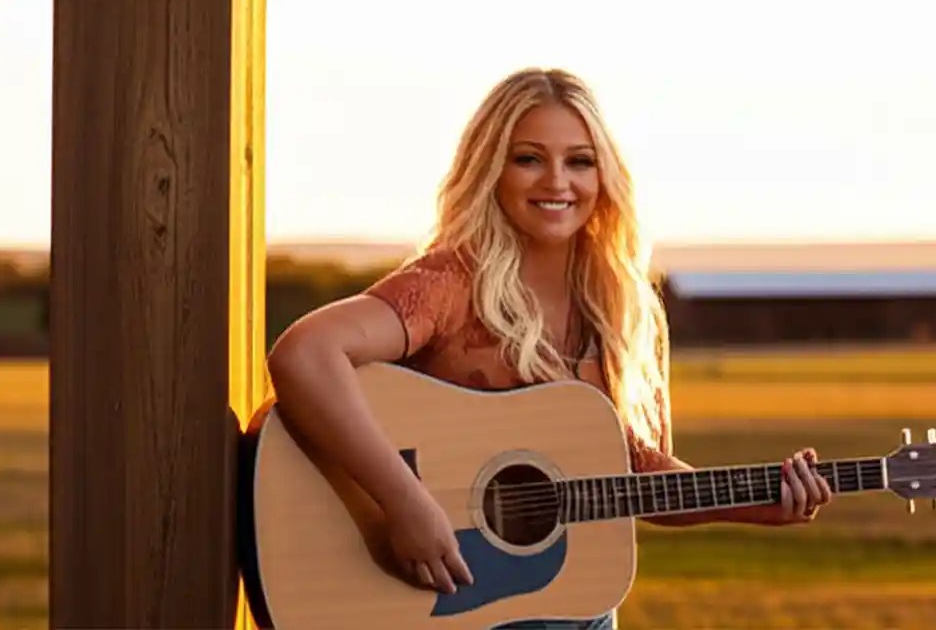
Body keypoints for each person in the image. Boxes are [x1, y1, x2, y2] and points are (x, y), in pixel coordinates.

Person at [266, 67, 833, 629]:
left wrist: (756, 503)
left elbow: (638, 479)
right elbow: (306, 354)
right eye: (529, 158)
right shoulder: (449, 284)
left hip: (576, 609)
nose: (557, 182)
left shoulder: (623, 311)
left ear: (605, 176)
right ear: (491, 170)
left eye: (580, 161)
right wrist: (405, 503)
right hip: (448, 605)